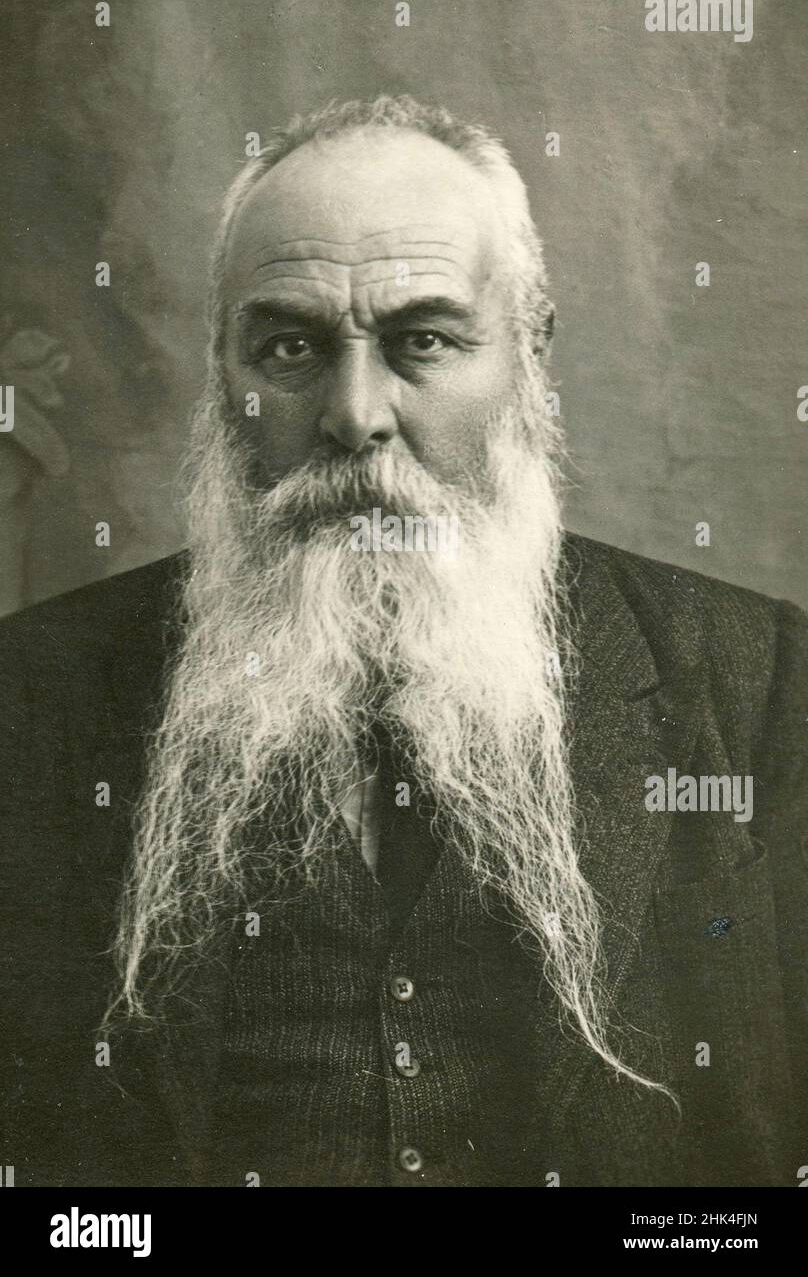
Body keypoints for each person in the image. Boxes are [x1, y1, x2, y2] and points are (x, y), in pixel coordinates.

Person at [2, 95, 807, 1188]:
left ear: (528, 352)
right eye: (288, 345)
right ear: (221, 368)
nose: (354, 413)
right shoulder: (30, 695)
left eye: (422, 338)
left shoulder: (760, 686)